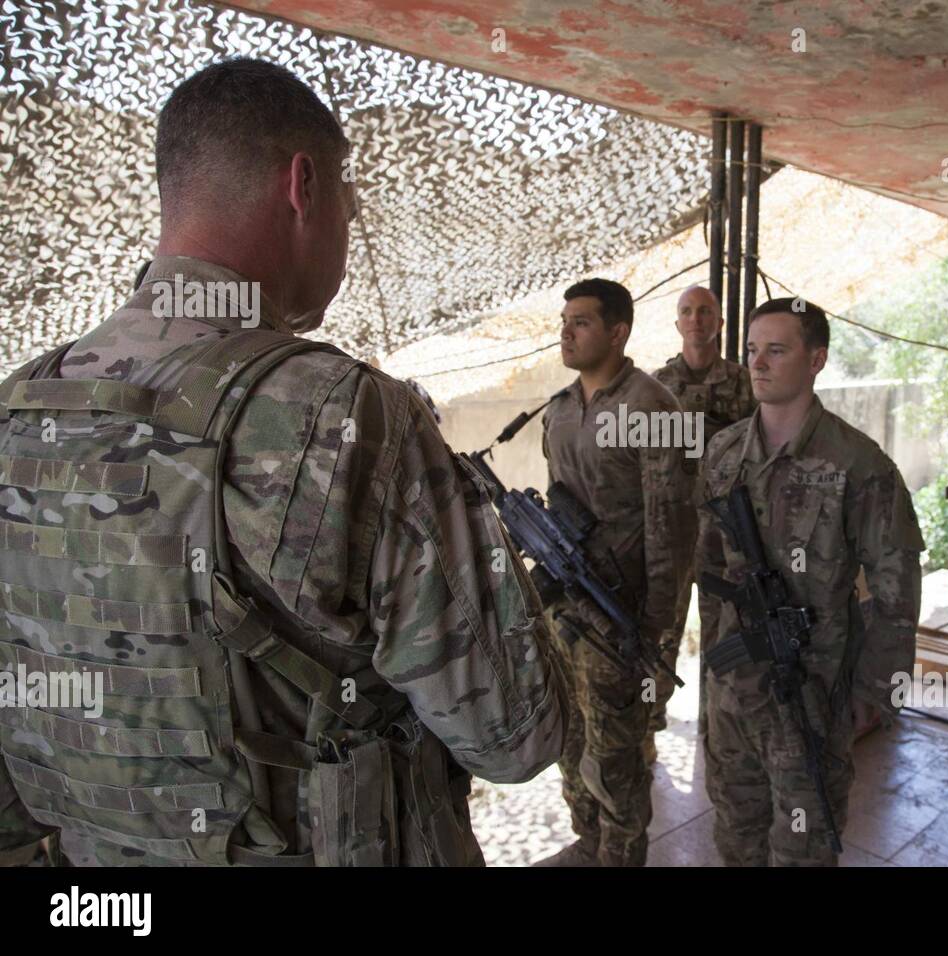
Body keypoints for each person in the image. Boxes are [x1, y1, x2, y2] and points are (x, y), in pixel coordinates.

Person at [0, 58, 565, 868]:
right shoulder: (347, 413)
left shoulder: (19, 410)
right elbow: (516, 736)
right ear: (304, 185)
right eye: (348, 197)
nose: (348, 222)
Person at [698, 297, 923, 866]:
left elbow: (896, 589)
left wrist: (877, 693)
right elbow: (707, 570)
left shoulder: (858, 463)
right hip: (732, 693)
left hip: (813, 694)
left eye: (777, 350)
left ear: (817, 358)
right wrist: (711, 664)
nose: (759, 363)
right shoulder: (723, 453)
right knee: (735, 836)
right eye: (752, 350)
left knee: (804, 846)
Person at [535, 279, 695, 866]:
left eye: (581, 321)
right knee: (569, 738)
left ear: (618, 331)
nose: (566, 331)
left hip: (618, 617)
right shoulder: (556, 411)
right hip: (563, 612)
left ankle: (622, 854)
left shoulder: (653, 408)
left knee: (617, 757)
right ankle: (588, 842)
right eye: (565, 320)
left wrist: (653, 626)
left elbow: (671, 527)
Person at [649, 285, 756, 761]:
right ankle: (646, 731)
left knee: (721, 637)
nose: (696, 319)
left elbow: (759, 454)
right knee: (658, 635)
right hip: (669, 534)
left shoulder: (745, 383)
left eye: (705, 311)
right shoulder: (653, 387)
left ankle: (718, 734)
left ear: (719, 322)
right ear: (677, 324)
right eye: (687, 312)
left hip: (723, 536)